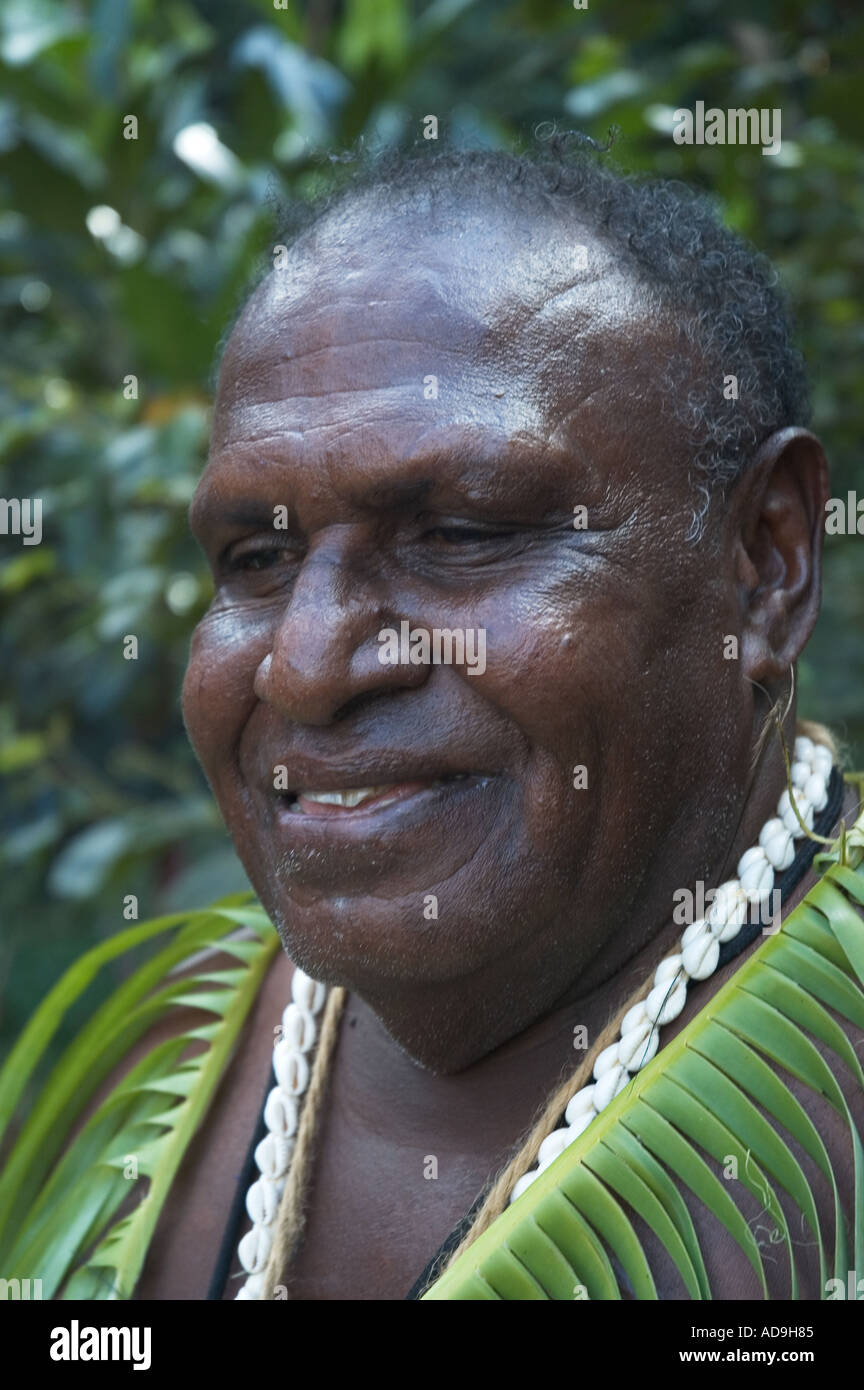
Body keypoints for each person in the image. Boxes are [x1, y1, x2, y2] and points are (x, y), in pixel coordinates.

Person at [91, 146, 864, 1299]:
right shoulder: (145, 1087)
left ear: (764, 564)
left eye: (462, 533)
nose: (305, 669)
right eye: (258, 555)